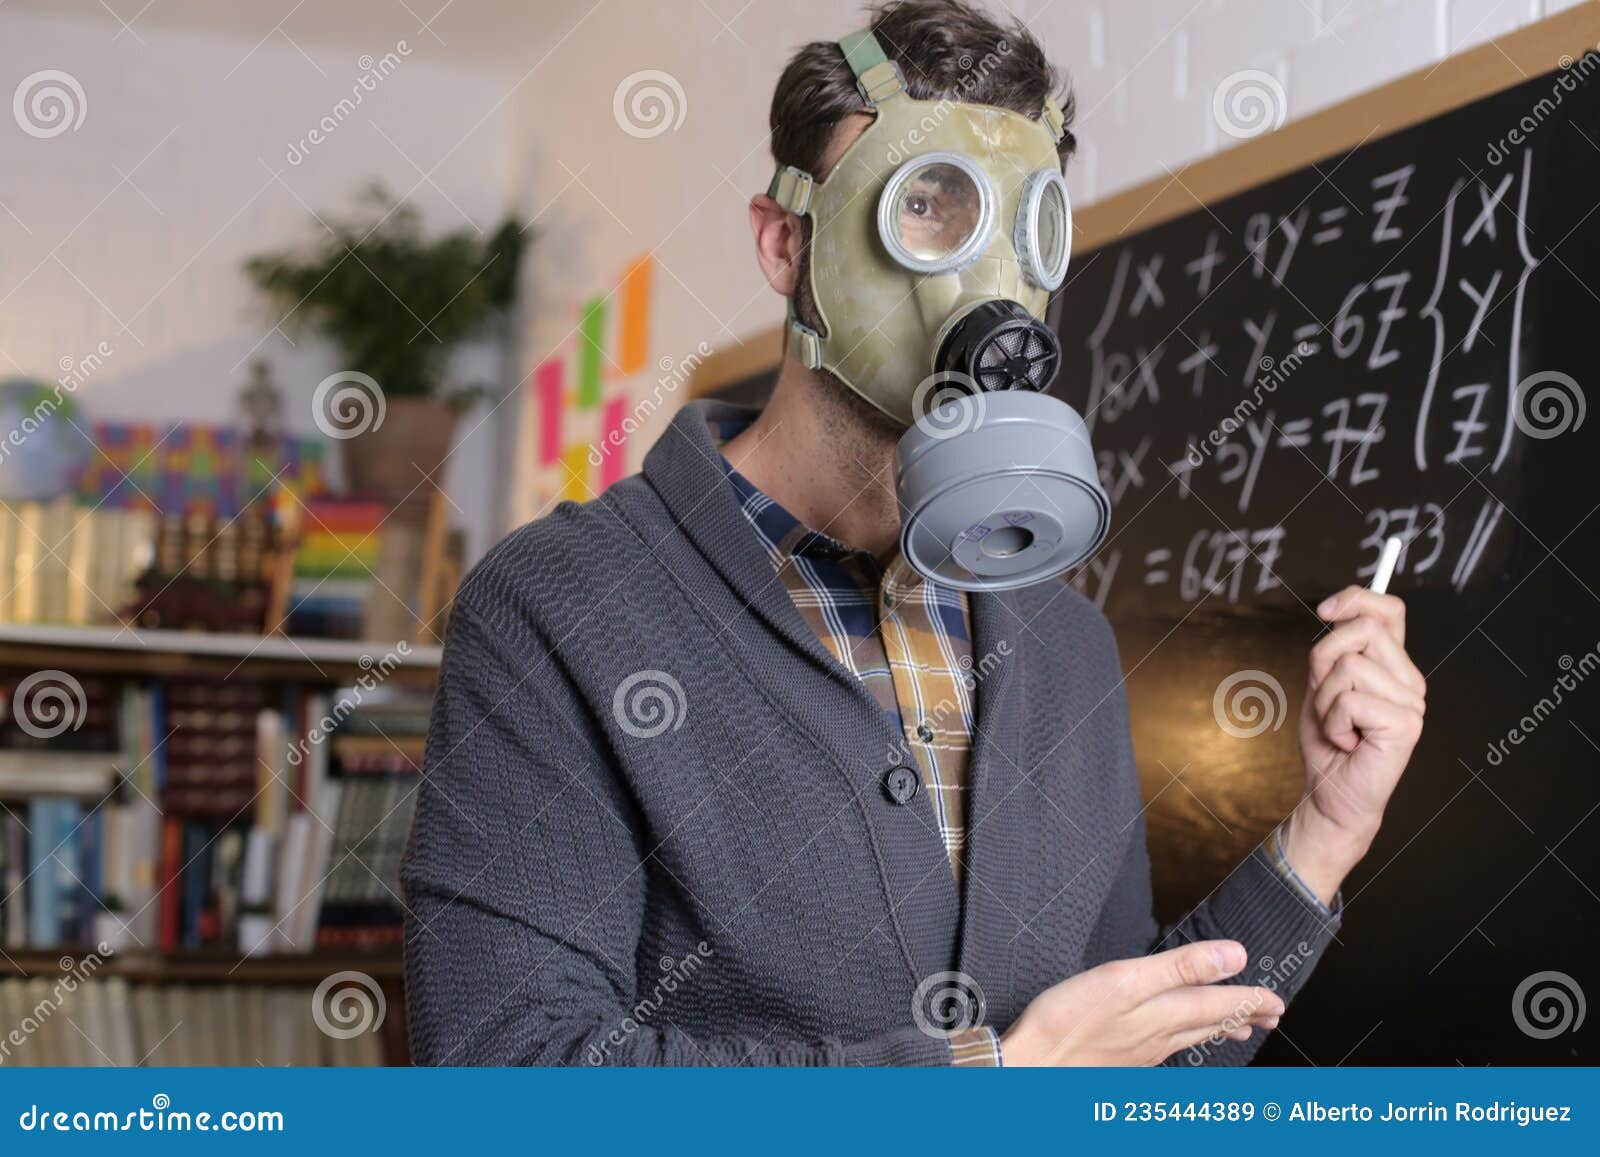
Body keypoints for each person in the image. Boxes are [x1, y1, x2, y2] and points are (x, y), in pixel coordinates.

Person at [402, 0, 1426, 1067]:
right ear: (783, 243)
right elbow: (505, 1067)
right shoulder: (559, 602)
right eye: (926, 205)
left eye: (1023, 224)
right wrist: (987, 1083)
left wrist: (1322, 833)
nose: (984, 282)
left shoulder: (1062, 643)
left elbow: (1123, 1073)